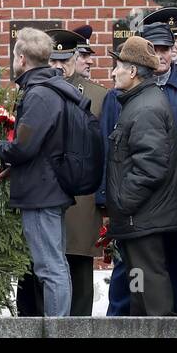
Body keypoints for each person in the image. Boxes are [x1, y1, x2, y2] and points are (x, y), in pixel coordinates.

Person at [0, 27, 74, 316]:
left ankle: (56, 329)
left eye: (14, 54)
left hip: (42, 194)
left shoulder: (39, 94)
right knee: (56, 265)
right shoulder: (49, 88)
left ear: (22, 59)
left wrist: (0, 148)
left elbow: (25, 147)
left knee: (50, 268)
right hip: (49, 187)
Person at [105, 34, 177, 316]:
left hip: (142, 216)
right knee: (139, 287)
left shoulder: (146, 108)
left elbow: (151, 166)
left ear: (132, 71)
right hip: (139, 216)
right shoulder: (138, 102)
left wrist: (123, 201)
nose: (114, 72)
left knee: (150, 290)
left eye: (118, 66)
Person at [53, 27, 106, 316]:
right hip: (46, 193)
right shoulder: (34, 91)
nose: (59, 66)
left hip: (82, 197)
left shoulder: (98, 97)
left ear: (74, 58)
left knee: (80, 270)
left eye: (65, 59)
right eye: (53, 60)